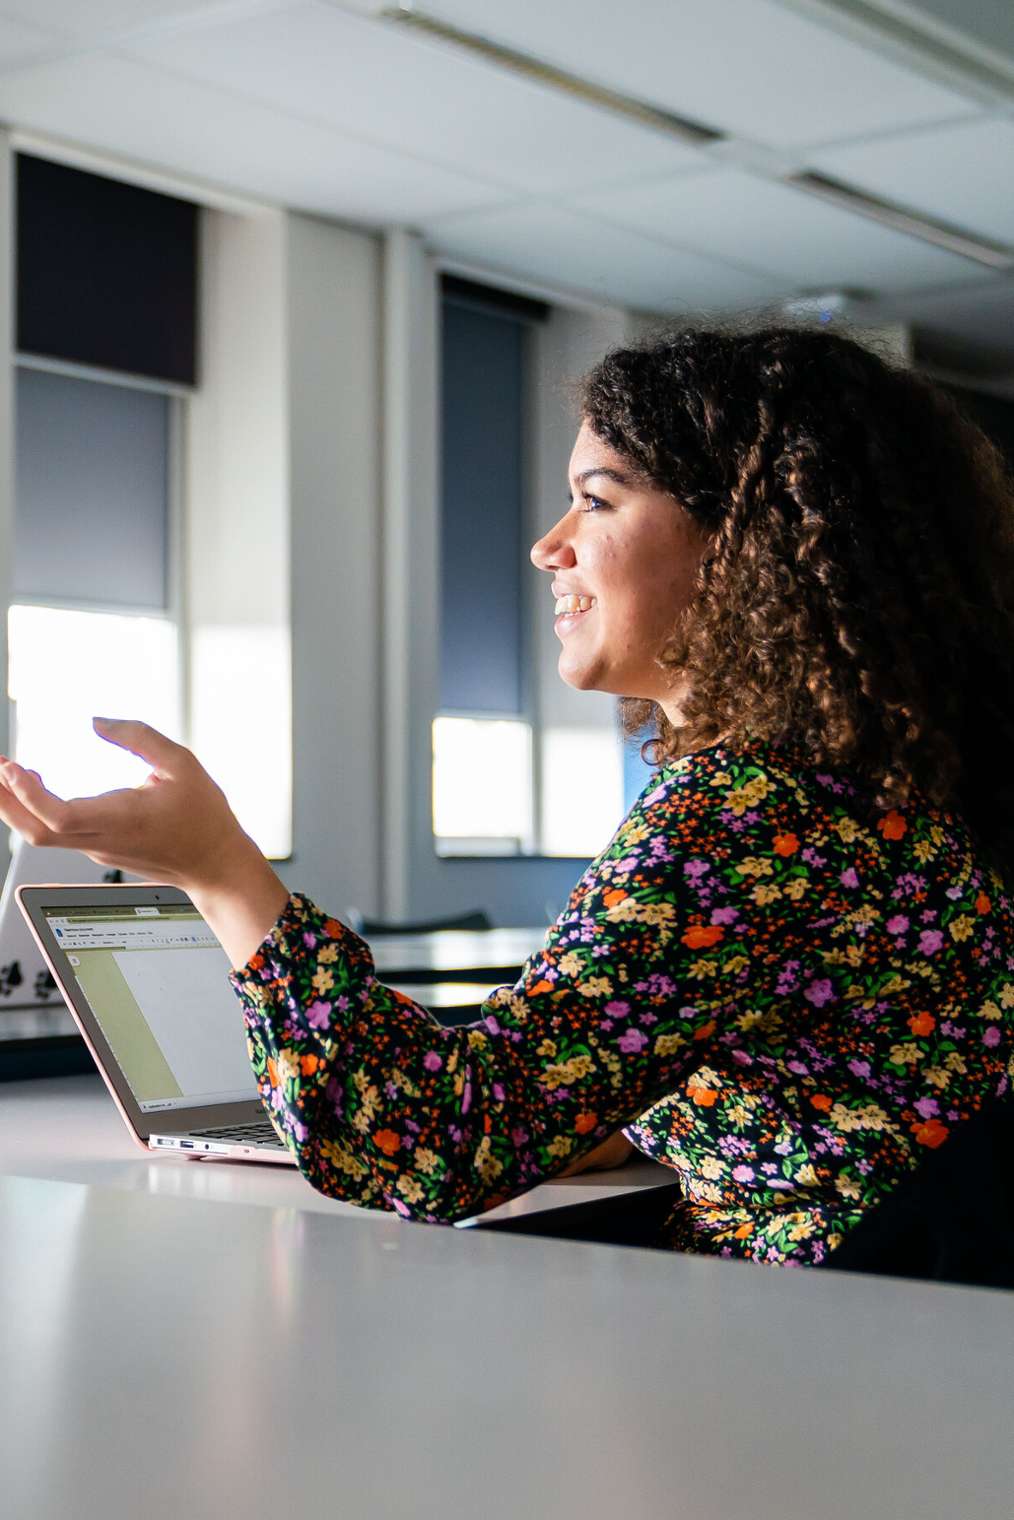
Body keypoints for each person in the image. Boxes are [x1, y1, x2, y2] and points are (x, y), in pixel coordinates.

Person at [1, 323, 1012, 1270]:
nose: (548, 543)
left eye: (599, 498)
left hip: (838, 1362)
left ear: (745, 542)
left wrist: (219, 871)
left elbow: (439, 1148)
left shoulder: (751, 814)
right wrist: (588, 1114)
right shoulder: (862, 788)